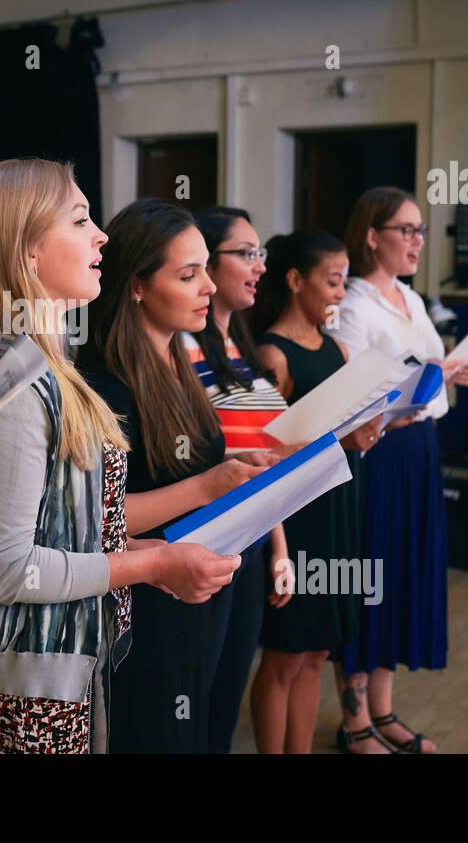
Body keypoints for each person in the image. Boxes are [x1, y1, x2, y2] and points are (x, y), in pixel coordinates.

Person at [0, 161, 237, 753]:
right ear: (26, 252)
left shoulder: (42, 362)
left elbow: (66, 528)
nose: (101, 235)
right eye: (80, 219)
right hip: (21, 691)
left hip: (47, 669)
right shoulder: (17, 376)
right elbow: (2, 569)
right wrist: (149, 567)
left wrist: (149, 549)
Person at [77, 198, 273, 754]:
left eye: (208, 268)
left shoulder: (180, 363)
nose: (209, 286)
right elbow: (99, 518)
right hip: (149, 599)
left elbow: (203, 466)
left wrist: (246, 472)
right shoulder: (103, 386)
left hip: (203, 584)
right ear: (137, 285)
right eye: (188, 274)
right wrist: (210, 486)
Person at [332, 186, 468, 754]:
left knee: (400, 577)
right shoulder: (353, 304)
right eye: (407, 230)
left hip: (419, 447)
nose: (419, 241)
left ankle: (385, 710)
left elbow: (426, 383)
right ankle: (354, 721)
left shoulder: (411, 300)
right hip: (379, 454)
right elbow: (351, 396)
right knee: (369, 579)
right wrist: (421, 380)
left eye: (422, 230)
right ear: (373, 236)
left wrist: (451, 374)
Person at [250, 231, 381, 753]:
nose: (340, 294)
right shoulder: (272, 356)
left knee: (317, 652)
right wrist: (339, 437)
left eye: (345, 283)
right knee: (284, 654)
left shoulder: (340, 348)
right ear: (295, 280)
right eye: (332, 281)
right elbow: (265, 454)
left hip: (339, 507)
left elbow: (350, 428)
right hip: (297, 513)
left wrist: (369, 431)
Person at [186, 206, 294, 754]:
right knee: (195, 705)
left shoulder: (241, 352)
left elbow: (264, 458)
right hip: (204, 548)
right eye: (245, 254)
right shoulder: (180, 350)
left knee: (224, 703)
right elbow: (211, 462)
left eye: (262, 255)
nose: (258, 266)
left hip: (251, 543)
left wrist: (279, 547)